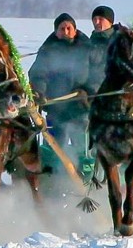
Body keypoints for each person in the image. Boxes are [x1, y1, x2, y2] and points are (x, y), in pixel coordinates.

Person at [28, 11, 106, 180]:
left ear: (75, 30)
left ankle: (86, 180)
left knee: (82, 148)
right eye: (62, 28)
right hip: (57, 110)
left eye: (69, 28)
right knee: (55, 150)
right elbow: (38, 74)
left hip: (81, 108)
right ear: (56, 32)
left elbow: (98, 75)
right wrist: (39, 92)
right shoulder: (48, 50)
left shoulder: (88, 48)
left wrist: (88, 91)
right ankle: (54, 181)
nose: (66, 31)